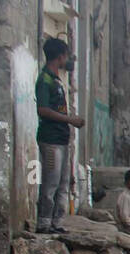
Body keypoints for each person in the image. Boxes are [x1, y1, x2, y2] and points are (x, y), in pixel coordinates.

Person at [35, 37, 83, 234]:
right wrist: (69, 120)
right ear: (60, 56)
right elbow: (43, 110)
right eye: (66, 55)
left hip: (62, 139)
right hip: (51, 139)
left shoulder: (56, 79)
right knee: (51, 183)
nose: (67, 60)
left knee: (63, 182)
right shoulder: (45, 79)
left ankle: (57, 222)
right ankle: (44, 223)